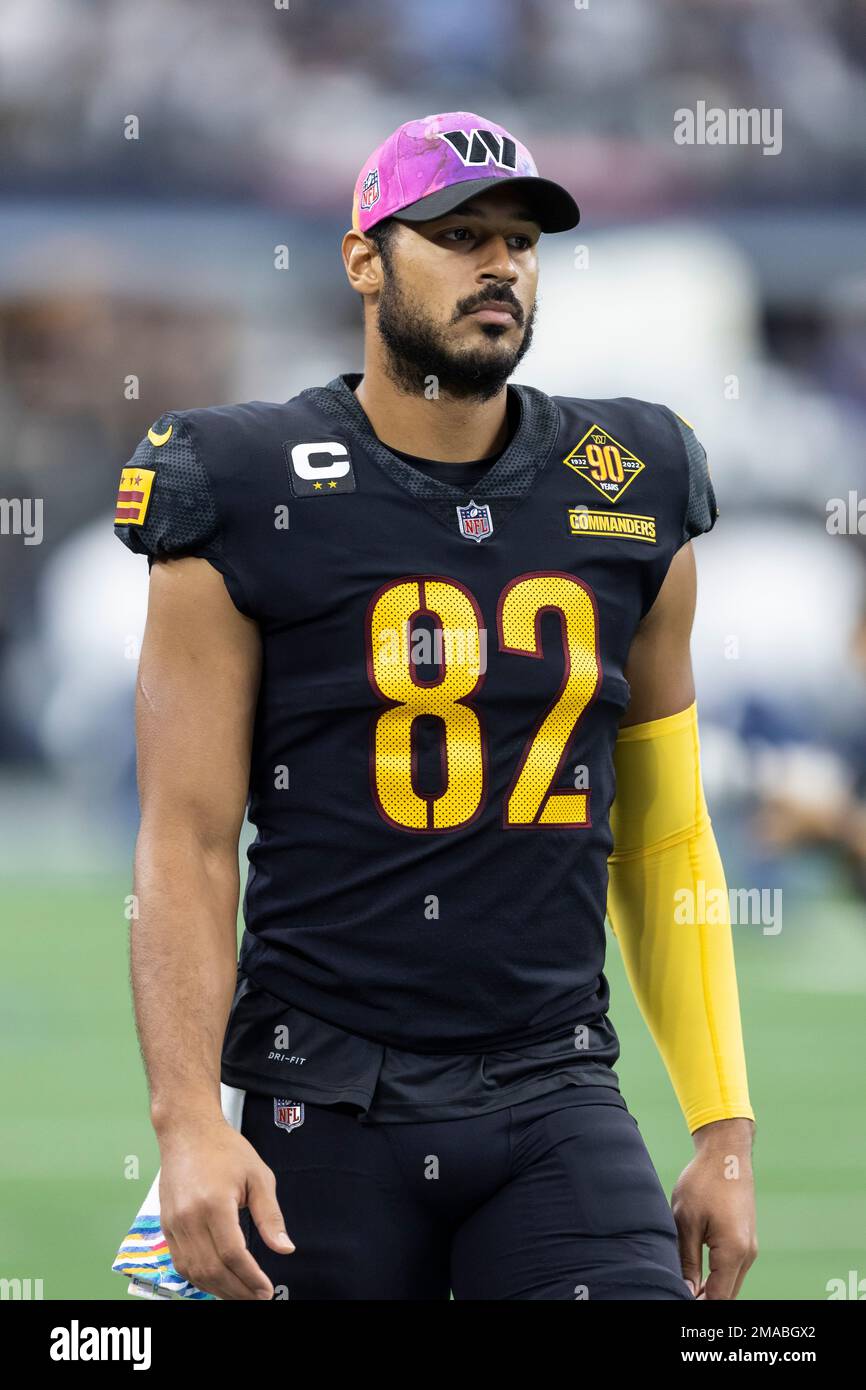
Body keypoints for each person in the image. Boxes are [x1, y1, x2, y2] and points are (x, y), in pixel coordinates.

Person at [114, 111, 757, 1301]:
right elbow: (188, 842)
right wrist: (188, 1123)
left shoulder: (634, 483)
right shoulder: (244, 484)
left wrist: (723, 1127)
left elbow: (664, 830)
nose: (498, 264)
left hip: (553, 1086)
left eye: (517, 241)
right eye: (457, 234)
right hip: (323, 1095)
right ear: (364, 258)